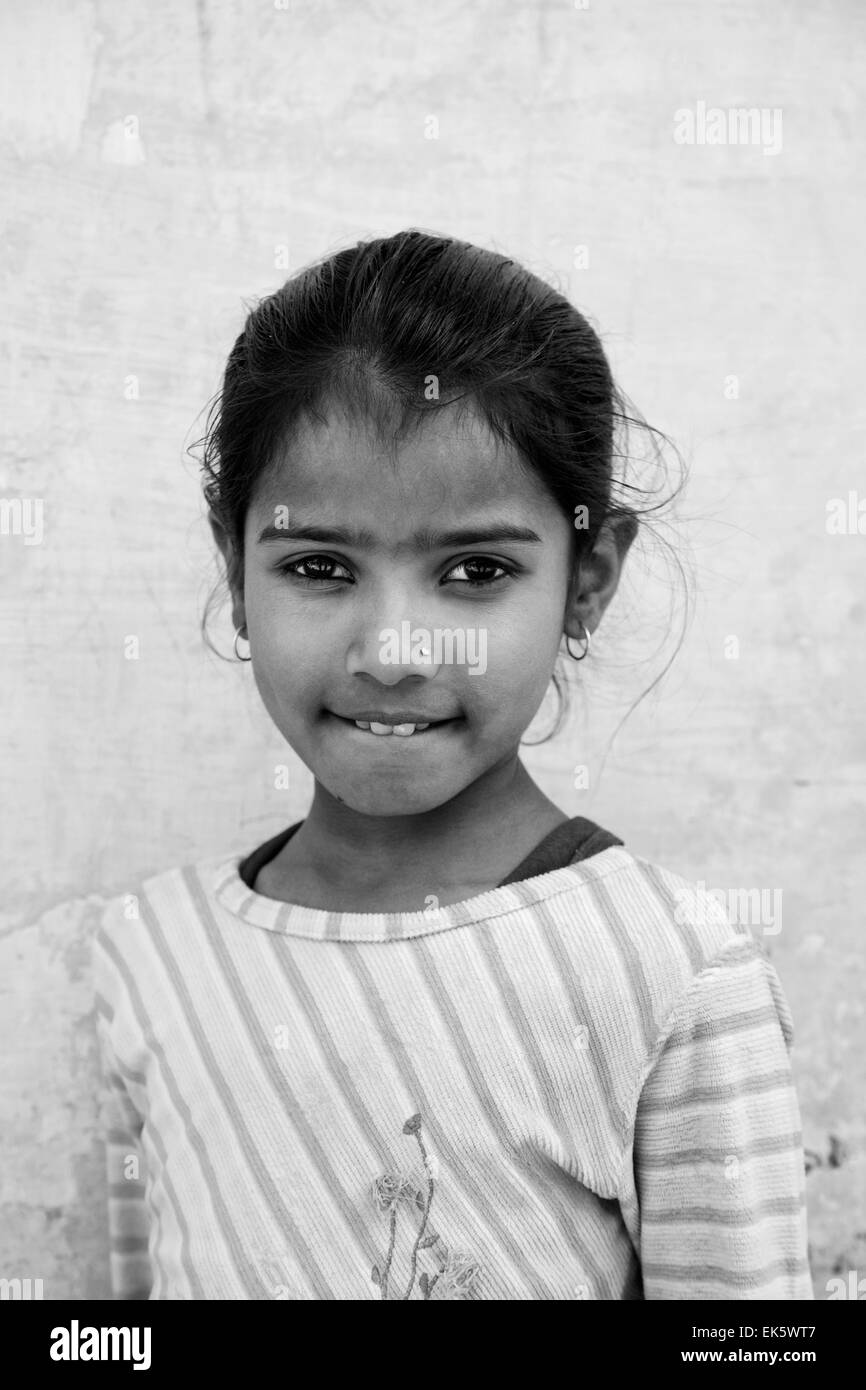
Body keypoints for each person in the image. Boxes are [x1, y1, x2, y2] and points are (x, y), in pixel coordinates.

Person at [93, 229, 813, 1300]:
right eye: (319, 566)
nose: (393, 651)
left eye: (474, 569)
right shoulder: (150, 952)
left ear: (585, 581)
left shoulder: (668, 971)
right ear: (234, 575)